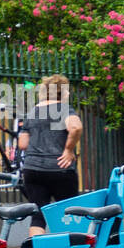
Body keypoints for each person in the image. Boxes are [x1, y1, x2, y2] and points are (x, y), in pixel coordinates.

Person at [17, 75, 82, 234]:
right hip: (60, 168)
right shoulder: (65, 109)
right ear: (64, 92)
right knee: (69, 214)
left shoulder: (33, 112)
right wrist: (68, 150)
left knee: (38, 216)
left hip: (32, 170)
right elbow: (76, 128)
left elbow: (22, 144)